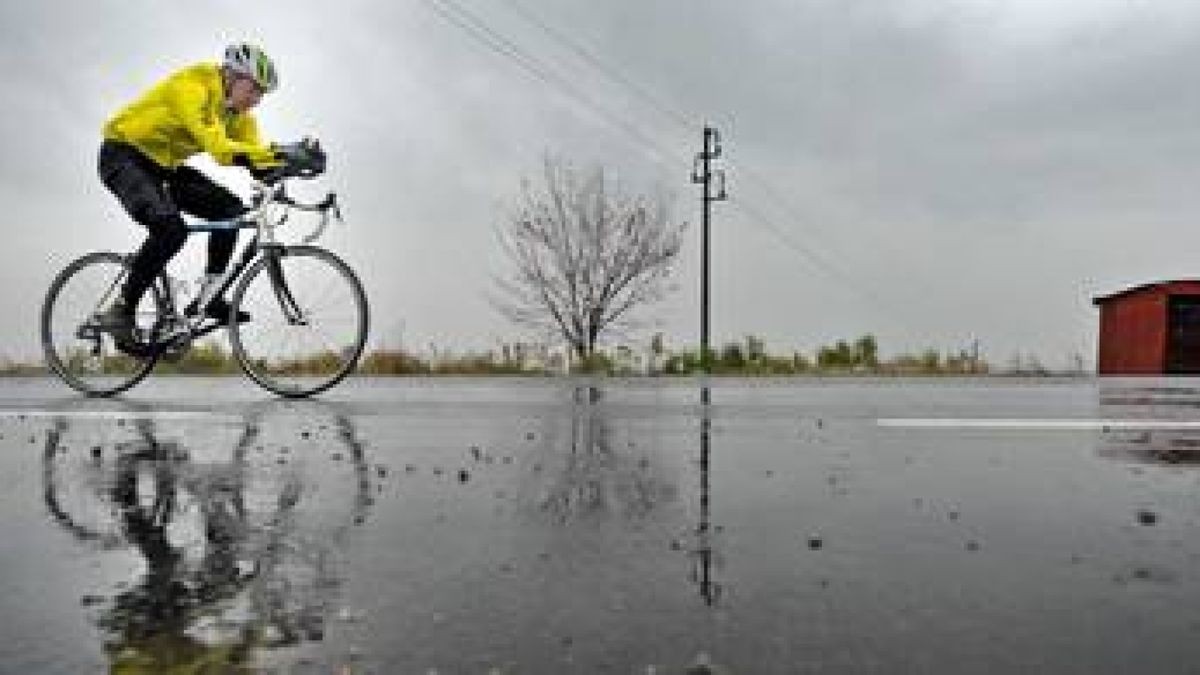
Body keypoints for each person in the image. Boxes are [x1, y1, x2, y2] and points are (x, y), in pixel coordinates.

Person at [97, 43, 317, 353]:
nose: (256, 100)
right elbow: (220, 150)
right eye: (254, 89)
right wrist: (280, 151)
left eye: (262, 94)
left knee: (230, 209)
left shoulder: (241, 117)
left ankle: (209, 296)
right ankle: (121, 309)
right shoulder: (192, 87)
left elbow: (258, 160)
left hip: (163, 166)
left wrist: (295, 164)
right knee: (171, 230)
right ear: (232, 75)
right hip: (123, 156)